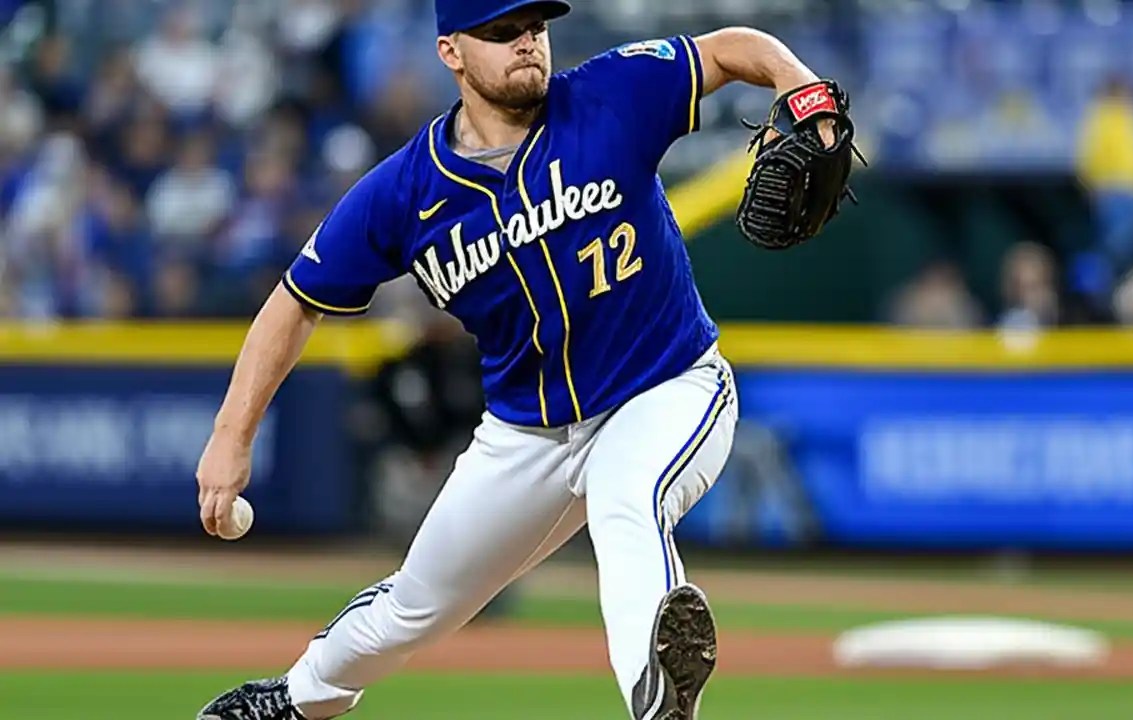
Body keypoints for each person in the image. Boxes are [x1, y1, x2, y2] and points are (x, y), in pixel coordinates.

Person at [194, 1, 840, 718]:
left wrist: (804, 92)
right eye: (502, 32)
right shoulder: (405, 192)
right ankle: (292, 700)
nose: (527, 44)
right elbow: (295, 301)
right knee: (415, 603)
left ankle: (659, 702)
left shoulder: (611, 93)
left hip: (666, 388)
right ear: (452, 53)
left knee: (629, 500)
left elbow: (726, 49)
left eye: (534, 27)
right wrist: (231, 436)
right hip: (525, 433)